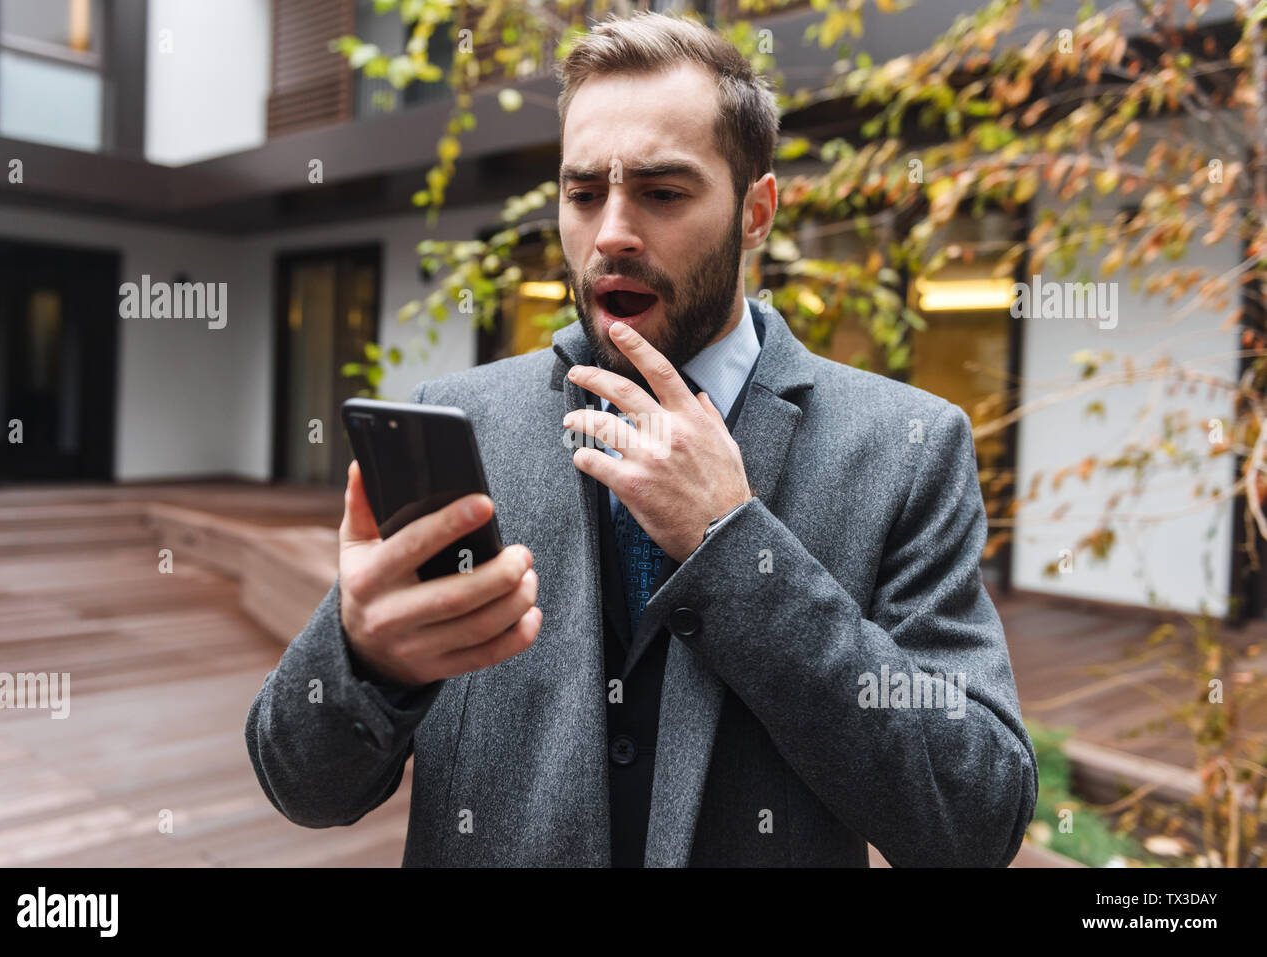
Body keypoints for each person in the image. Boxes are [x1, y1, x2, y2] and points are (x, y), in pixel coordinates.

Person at [245, 10, 1038, 867]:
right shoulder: (462, 422)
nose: (612, 232)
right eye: (584, 193)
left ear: (757, 211)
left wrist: (733, 546)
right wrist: (365, 658)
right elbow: (303, 785)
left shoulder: (906, 448)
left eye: (663, 193)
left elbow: (975, 820)